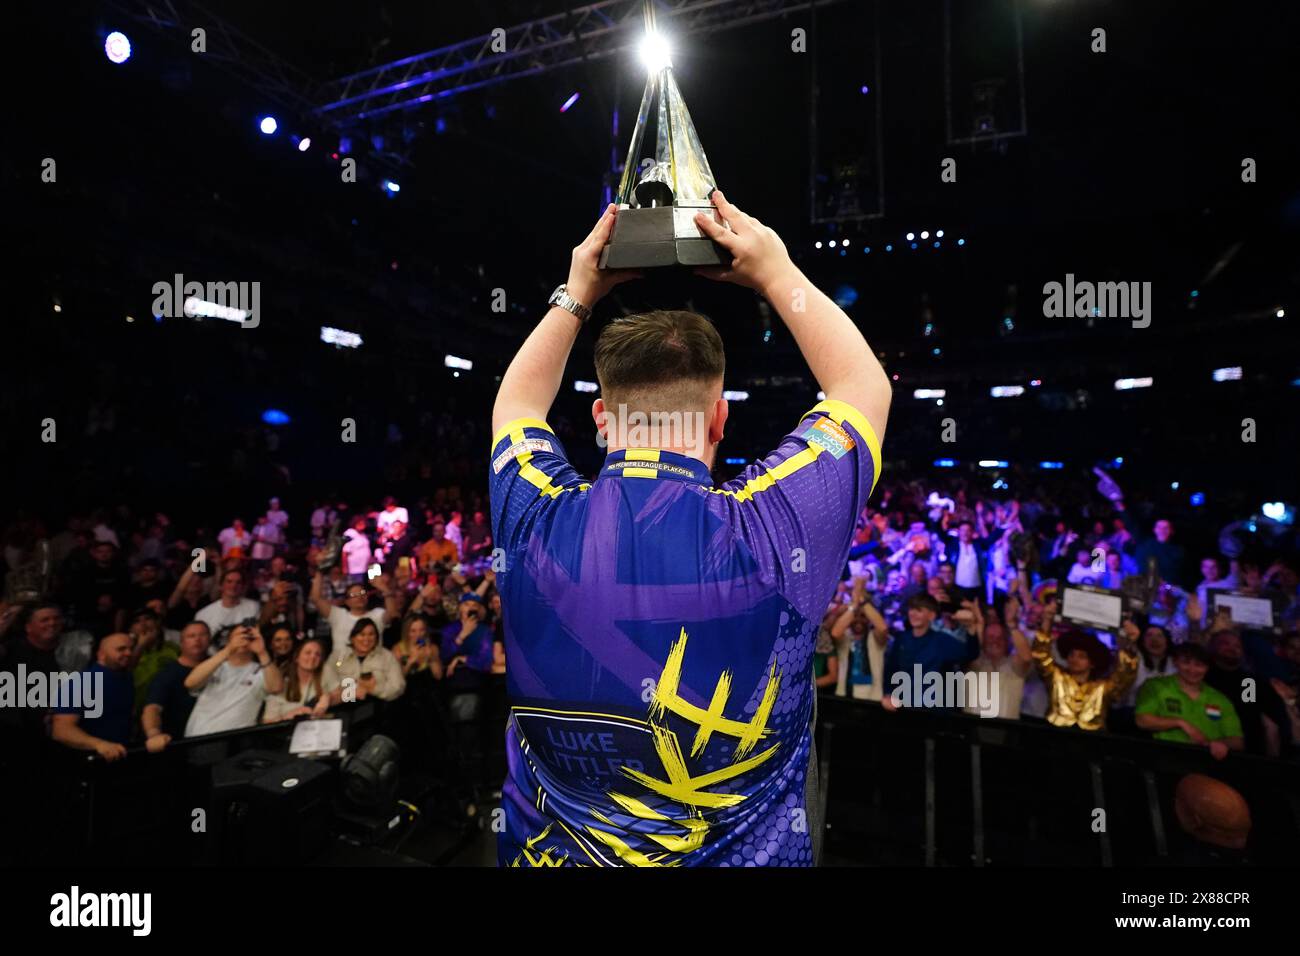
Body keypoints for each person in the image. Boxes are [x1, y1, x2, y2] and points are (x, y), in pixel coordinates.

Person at [489, 193, 891, 866]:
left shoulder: (531, 515)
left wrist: (577, 291)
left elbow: (517, 401)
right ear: (718, 422)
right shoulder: (770, 530)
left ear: (600, 418)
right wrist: (776, 272)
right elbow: (863, 387)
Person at [1030, 600, 1137, 732]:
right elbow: (1041, 656)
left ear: (1092, 663)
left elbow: (1124, 676)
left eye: (1082, 656)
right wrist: (1047, 621)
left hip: (1091, 742)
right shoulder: (1056, 676)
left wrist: (1129, 643)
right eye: (1072, 655)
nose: (1074, 659)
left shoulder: (1102, 687)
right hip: (1055, 736)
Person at [1135, 644, 1244, 760]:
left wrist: (1218, 744)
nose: (1192, 670)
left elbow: (1237, 741)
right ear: (1175, 662)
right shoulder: (1155, 686)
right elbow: (1142, 721)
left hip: (1208, 762)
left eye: (1199, 665)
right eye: (1186, 663)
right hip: (1167, 759)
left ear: (1207, 668)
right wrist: (1180, 723)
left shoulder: (1219, 699)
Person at [879, 593, 979, 712]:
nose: (913, 613)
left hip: (933, 712)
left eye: (919, 610)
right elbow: (890, 670)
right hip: (904, 708)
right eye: (911, 609)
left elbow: (971, 653)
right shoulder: (901, 639)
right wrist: (888, 693)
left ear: (931, 616)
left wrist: (972, 627)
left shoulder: (941, 640)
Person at [183, 623, 284, 736]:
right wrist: (229, 649)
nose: (243, 639)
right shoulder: (215, 666)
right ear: (228, 640)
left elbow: (276, 688)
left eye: (248, 636)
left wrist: (262, 652)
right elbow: (190, 683)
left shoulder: (262, 670)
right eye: (239, 635)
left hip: (237, 739)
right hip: (201, 735)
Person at [51, 632, 137, 761]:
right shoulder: (82, 682)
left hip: (120, 754)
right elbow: (61, 730)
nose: (129, 653)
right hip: (88, 759)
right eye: (121, 649)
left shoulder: (126, 677)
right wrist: (98, 744)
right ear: (101, 654)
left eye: (131, 649)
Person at [142, 620, 211, 746]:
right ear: (182, 642)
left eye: (203, 635)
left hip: (214, 737)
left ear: (210, 639)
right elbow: (152, 708)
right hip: (178, 742)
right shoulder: (167, 674)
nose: (197, 640)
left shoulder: (221, 666)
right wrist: (154, 734)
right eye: (191, 636)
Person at [322, 618, 405, 703]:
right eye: (362, 634)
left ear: (376, 638)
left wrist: (373, 689)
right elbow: (328, 672)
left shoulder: (386, 657)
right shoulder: (340, 657)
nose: (366, 639)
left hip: (378, 707)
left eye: (371, 634)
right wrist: (349, 692)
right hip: (343, 707)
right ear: (353, 638)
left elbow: (398, 687)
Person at [263, 638, 330, 722]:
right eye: (308, 653)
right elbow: (267, 723)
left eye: (317, 654)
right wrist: (288, 716)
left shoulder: (325, 675)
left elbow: (343, 693)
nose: (313, 656)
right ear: (296, 658)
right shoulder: (280, 684)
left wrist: (329, 697)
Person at [194, 568, 260, 649]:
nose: (233, 586)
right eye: (229, 581)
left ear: (243, 587)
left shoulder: (254, 606)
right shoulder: (203, 614)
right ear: (220, 586)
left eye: (238, 582)